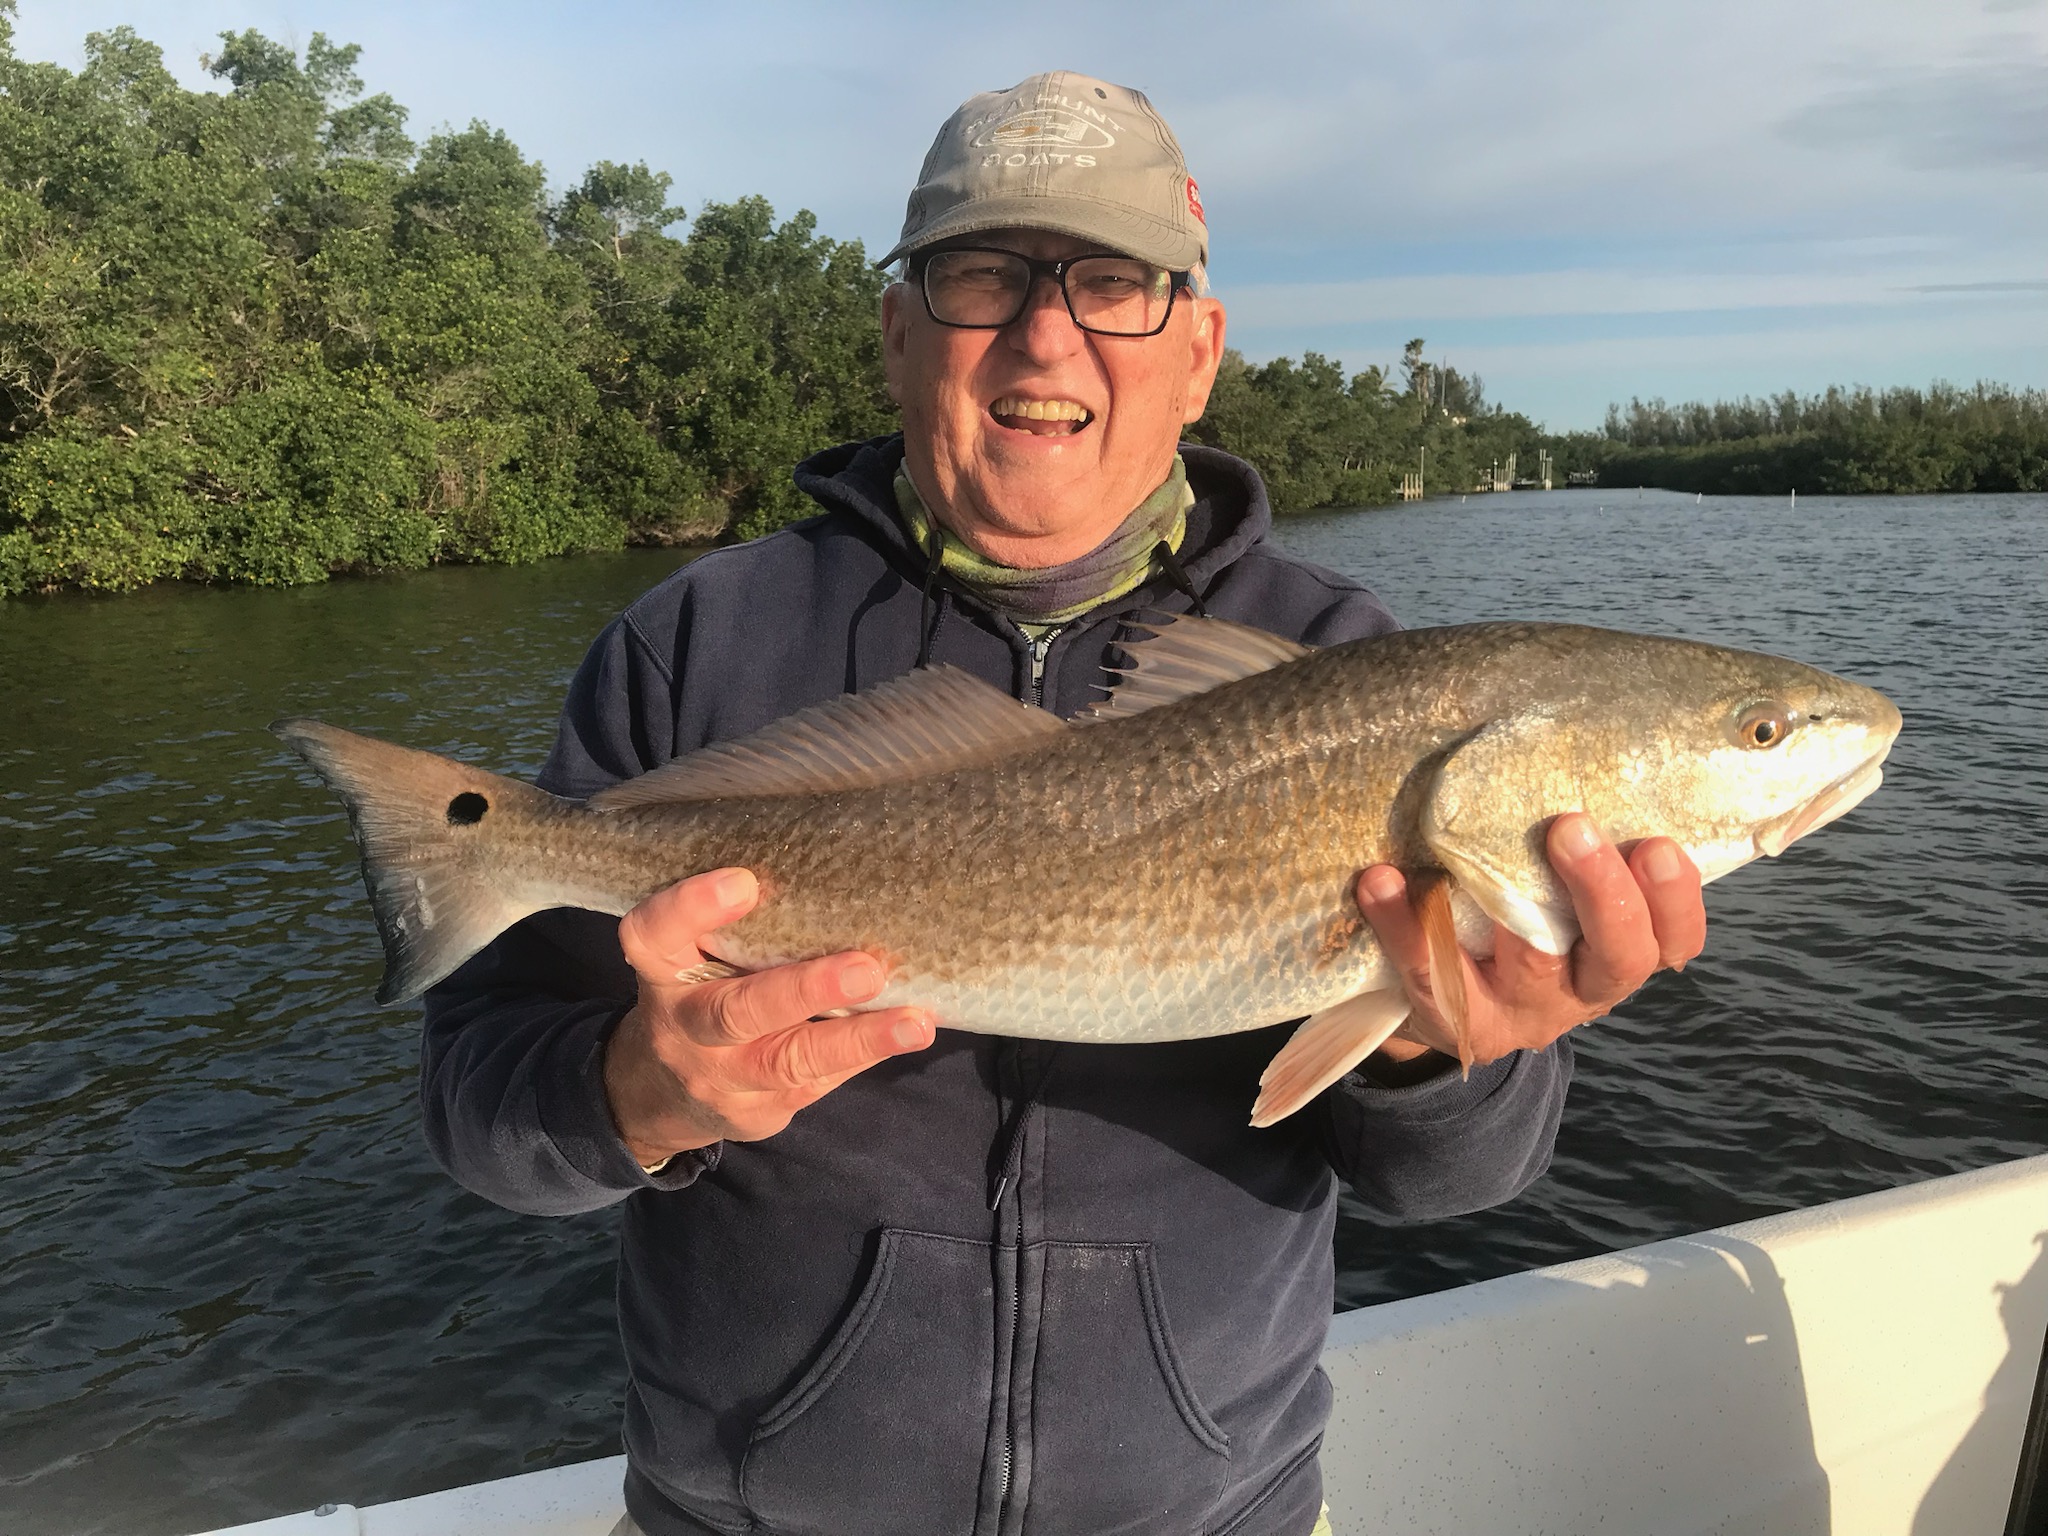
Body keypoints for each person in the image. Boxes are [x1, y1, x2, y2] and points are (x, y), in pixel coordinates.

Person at [422, 71, 1707, 1536]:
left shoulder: (1350, 670)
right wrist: (641, 1098)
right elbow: (481, 1121)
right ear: (901, 330)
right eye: (983, 275)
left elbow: (1452, 1187)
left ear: (1201, 350)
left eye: (1117, 284)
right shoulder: (696, 644)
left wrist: (1435, 1050)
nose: (1048, 335)